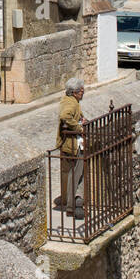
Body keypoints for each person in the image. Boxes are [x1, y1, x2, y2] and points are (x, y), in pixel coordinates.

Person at [54, 78, 86, 217]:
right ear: (74, 92)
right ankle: (72, 206)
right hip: (72, 145)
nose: (83, 93)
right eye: (81, 91)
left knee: (74, 173)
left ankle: (73, 202)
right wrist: (78, 127)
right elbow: (65, 116)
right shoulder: (71, 103)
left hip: (71, 144)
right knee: (75, 174)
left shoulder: (71, 101)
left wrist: (81, 119)